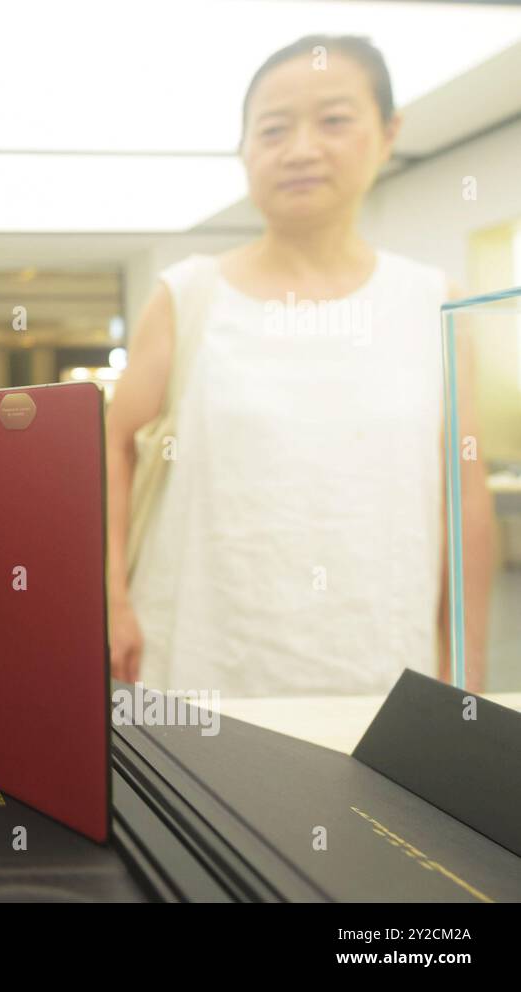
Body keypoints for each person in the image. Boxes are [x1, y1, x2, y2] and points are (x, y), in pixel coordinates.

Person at [106, 35, 494, 697]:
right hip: (201, 658)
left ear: (388, 134)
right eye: (273, 129)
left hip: (380, 657)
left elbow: (464, 493)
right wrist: (111, 599)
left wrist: (465, 666)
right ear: (244, 151)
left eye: (334, 120)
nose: (301, 149)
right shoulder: (189, 296)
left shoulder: (433, 302)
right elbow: (111, 451)